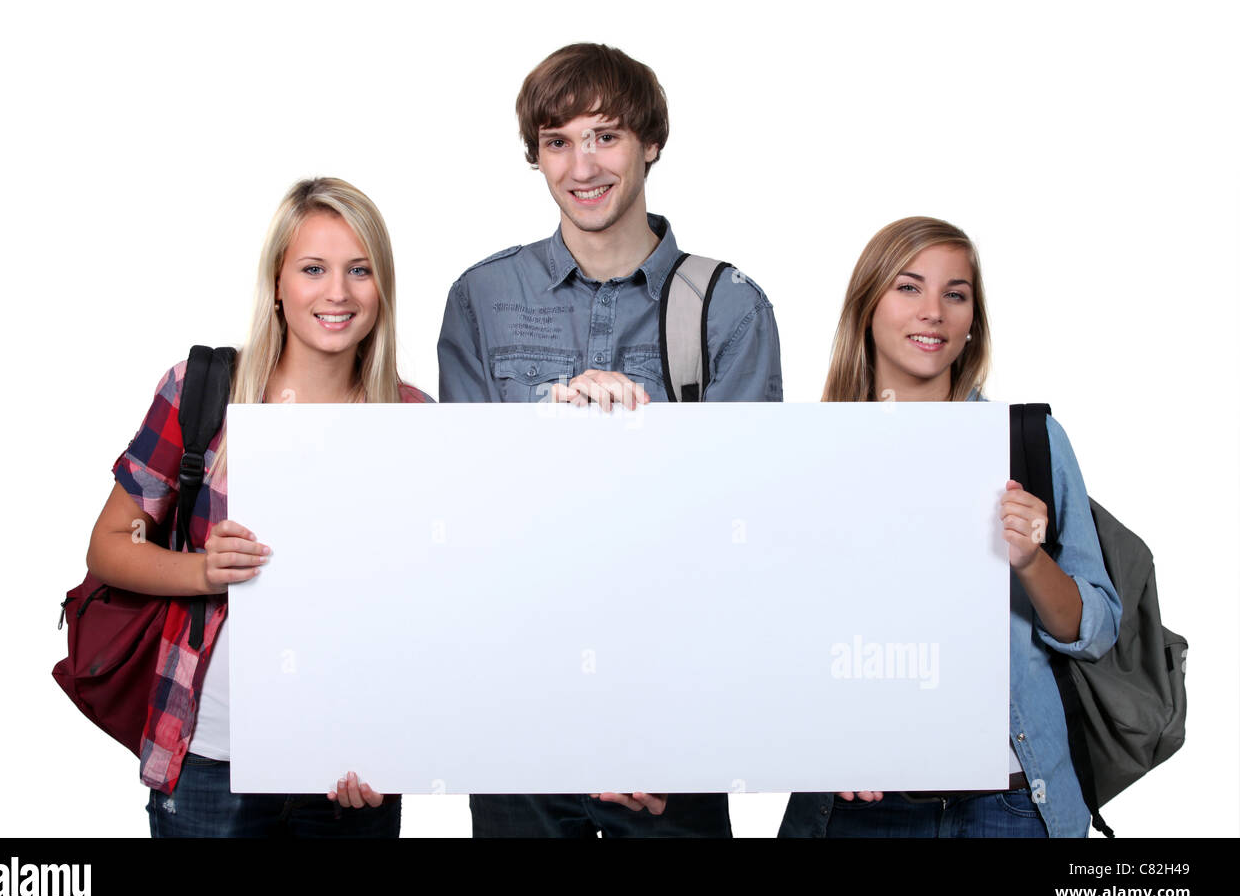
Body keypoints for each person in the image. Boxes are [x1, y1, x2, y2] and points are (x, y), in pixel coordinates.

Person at [437, 43, 783, 838]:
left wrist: (663, 732)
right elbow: (464, 511)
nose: (581, 165)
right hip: (517, 716)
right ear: (536, 156)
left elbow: (743, 534)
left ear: (651, 143)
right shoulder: (481, 296)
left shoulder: (729, 305)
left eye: (605, 136)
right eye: (557, 141)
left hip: (673, 723)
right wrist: (545, 426)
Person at [87, 177, 430, 837]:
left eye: (360, 270)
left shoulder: (414, 419)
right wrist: (201, 572)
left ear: (381, 286)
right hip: (213, 763)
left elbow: (430, 612)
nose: (338, 292)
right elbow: (112, 542)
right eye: (313, 269)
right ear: (277, 284)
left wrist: (394, 748)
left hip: (350, 769)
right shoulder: (204, 391)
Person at [778, 216, 1122, 838]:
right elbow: (766, 637)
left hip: (1010, 805)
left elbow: (1094, 630)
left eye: (955, 295)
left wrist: (1030, 559)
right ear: (867, 306)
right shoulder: (804, 452)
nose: (933, 311)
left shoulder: (1027, 441)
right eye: (909, 288)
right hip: (854, 805)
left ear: (972, 325)